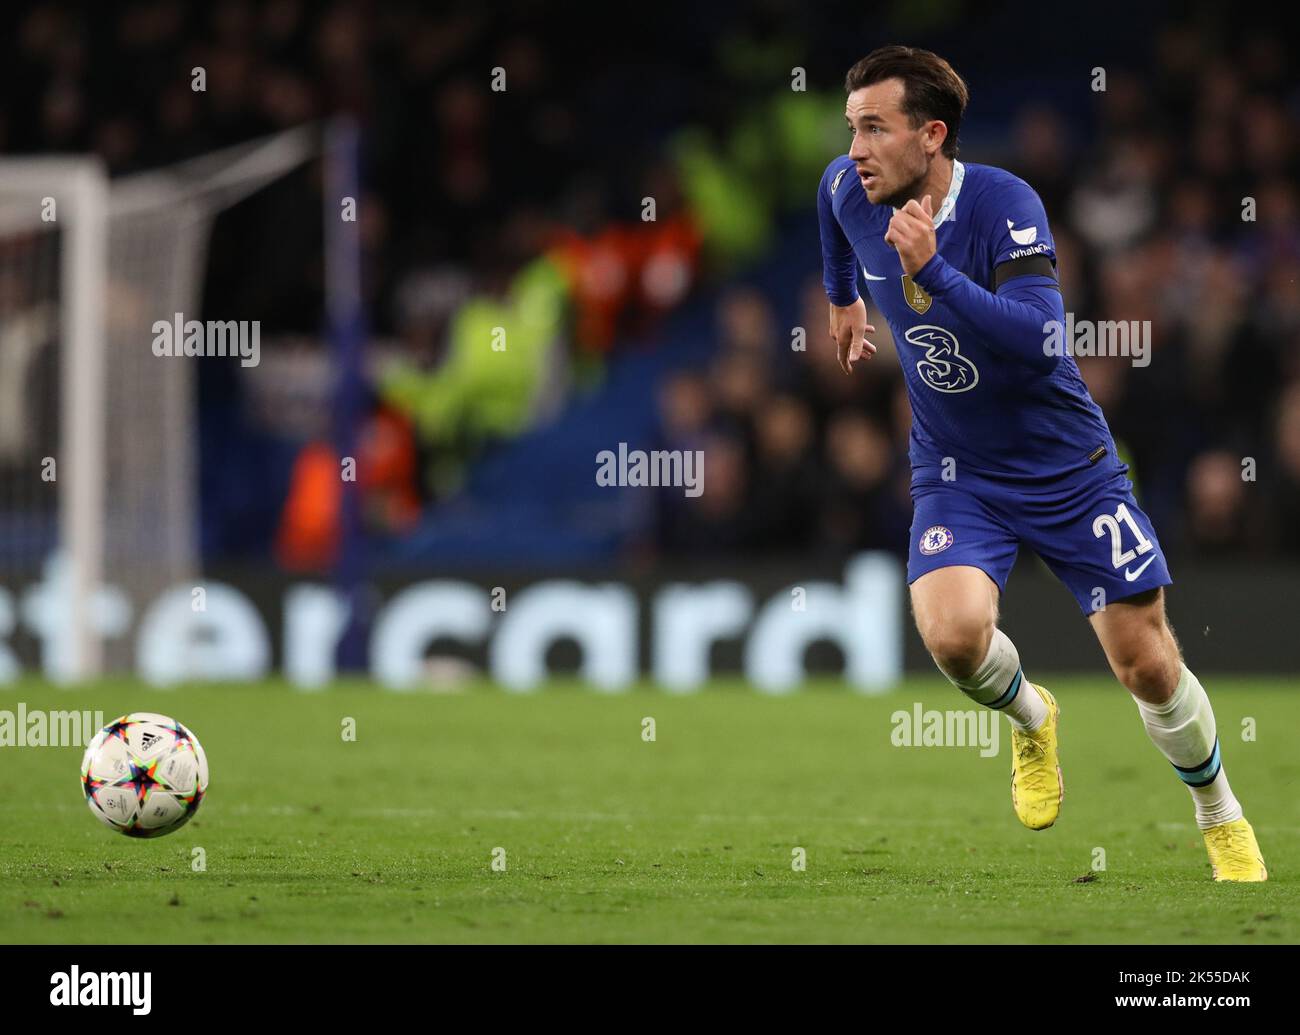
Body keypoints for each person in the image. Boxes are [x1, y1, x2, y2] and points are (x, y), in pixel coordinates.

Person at [818, 45, 1265, 881]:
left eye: (875, 128)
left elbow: (1038, 337)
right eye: (852, 127)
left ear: (932, 135)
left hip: (1065, 465)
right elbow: (828, 205)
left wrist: (931, 270)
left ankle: (1220, 813)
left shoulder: (1003, 204)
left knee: (1146, 662)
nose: (856, 150)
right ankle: (1032, 718)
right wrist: (843, 297)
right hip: (957, 468)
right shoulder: (851, 188)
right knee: (954, 637)